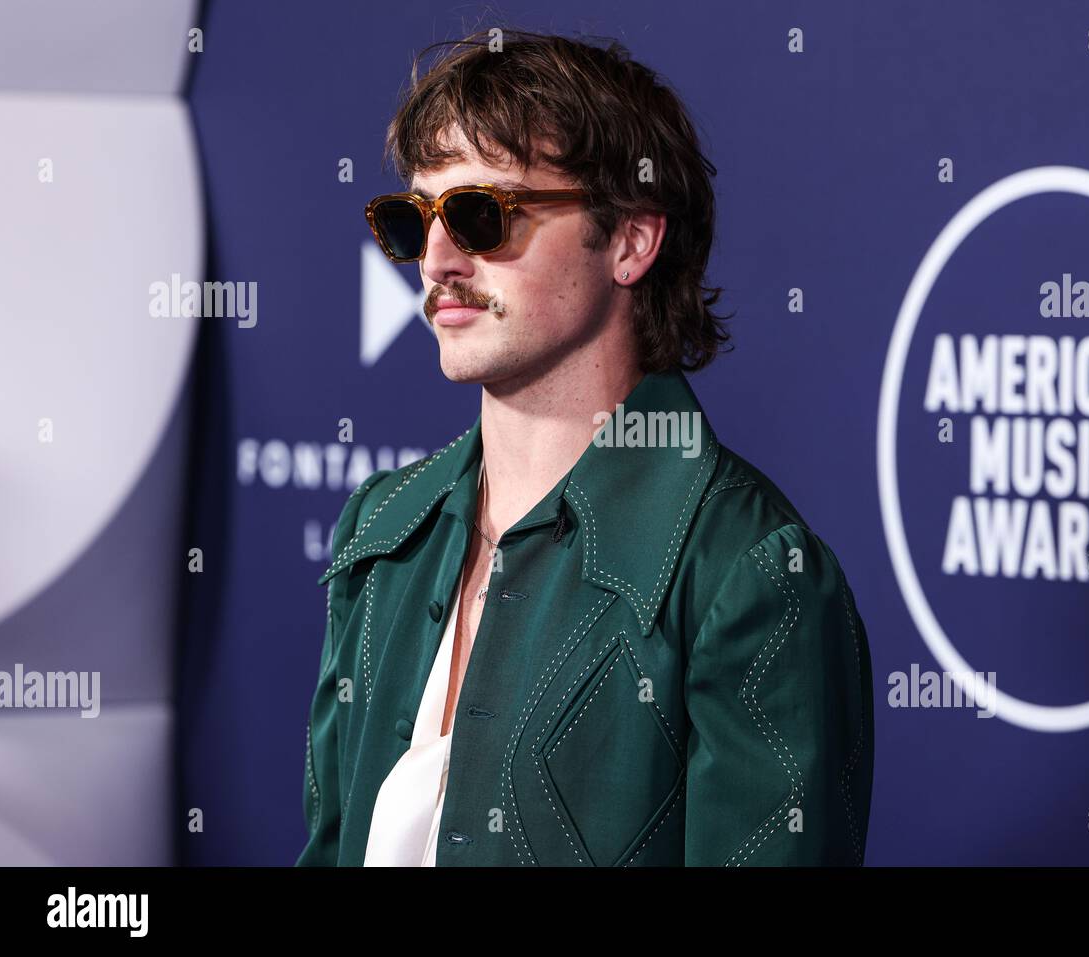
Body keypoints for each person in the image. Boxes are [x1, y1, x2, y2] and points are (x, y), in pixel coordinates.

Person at [297, 27, 873, 867]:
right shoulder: (383, 535)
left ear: (632, 241)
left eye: (481, 214)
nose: (437, 259)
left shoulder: (749, 575)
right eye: (410, 218)